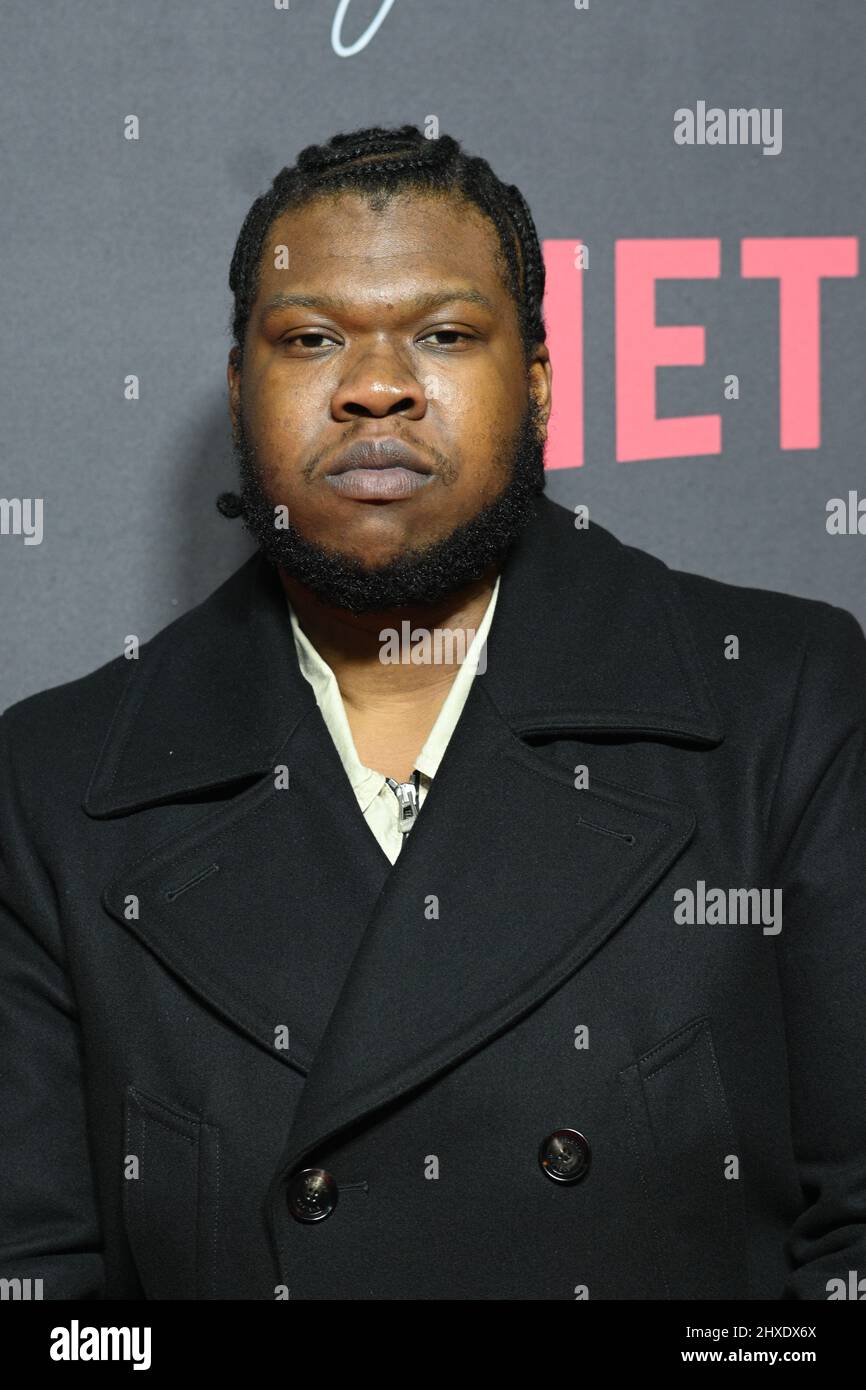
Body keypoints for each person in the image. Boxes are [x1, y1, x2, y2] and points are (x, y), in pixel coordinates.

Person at [1, 124, 864, 1302]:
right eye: (310, 340)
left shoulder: (784, 702)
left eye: (445, 335)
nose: (373, 385)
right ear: (240, 389)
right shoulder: (51, 785)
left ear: (541, 384)